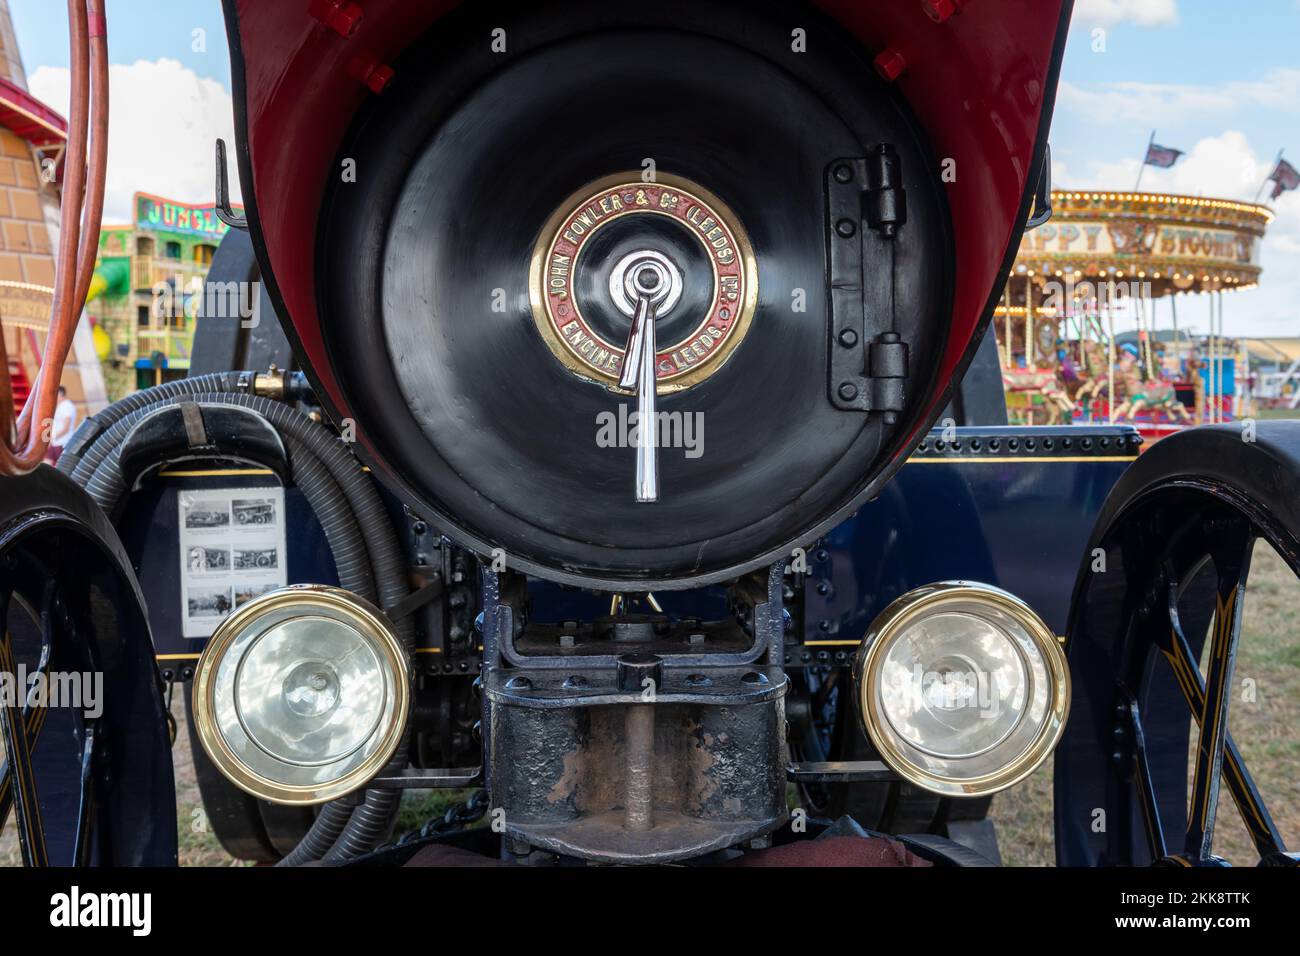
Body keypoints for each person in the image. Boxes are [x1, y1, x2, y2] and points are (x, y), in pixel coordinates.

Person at [46, 385, 77, 464]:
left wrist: (52, 437)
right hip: (55, 443)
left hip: (63, 443)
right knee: (47, 464)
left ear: (59, 394)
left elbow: (66, 427)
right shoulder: (59, 406)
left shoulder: (67, 406)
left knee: (62, 467)